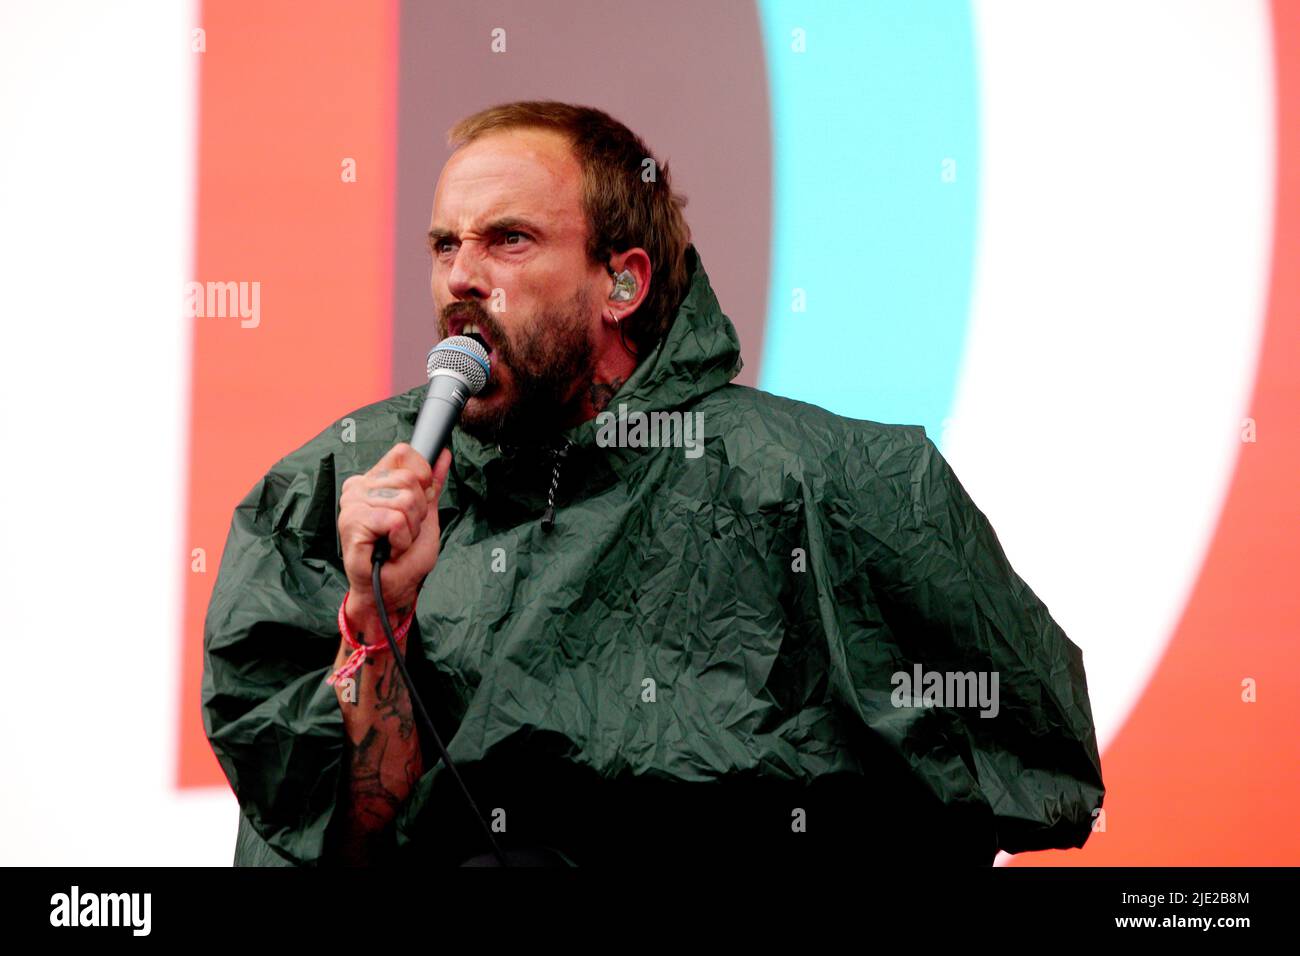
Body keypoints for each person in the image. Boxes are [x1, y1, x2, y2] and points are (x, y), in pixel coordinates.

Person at [202, 100, 1105, 867]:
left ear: (622, 282)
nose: (461, 279)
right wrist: (377, 619)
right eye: (445, 245)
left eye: (508, 241)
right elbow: (325, 832)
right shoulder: (343, 487)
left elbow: (1031, 760)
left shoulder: (823, 482)